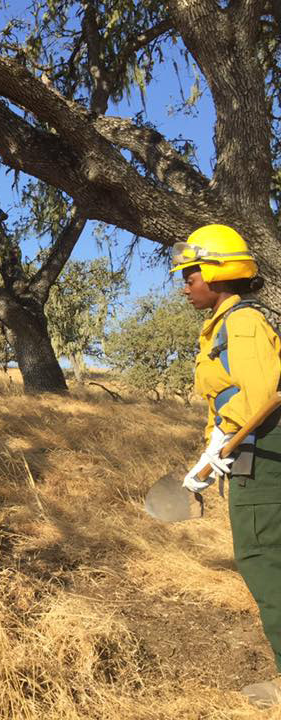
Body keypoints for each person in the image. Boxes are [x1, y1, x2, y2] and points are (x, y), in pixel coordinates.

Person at [175, 224, 281, 708]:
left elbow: (259, 398)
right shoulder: (224, 324)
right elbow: (234, 397)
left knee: (263, 561)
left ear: (216, 275)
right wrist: (212, 447)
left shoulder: (240, 322)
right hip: (251, 448)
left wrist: (226, 446)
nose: (185, 284)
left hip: (263, 457)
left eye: (190, 275)